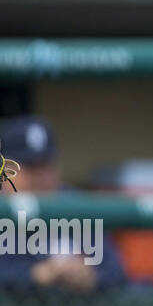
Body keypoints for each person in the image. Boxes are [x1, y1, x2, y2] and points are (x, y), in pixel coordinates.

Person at [0, 115, 124, 292]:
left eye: (46, 166)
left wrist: (92, 277)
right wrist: (33, 275)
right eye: (30, 167)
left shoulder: (77, 208)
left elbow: (117, 272)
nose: (40, 177)